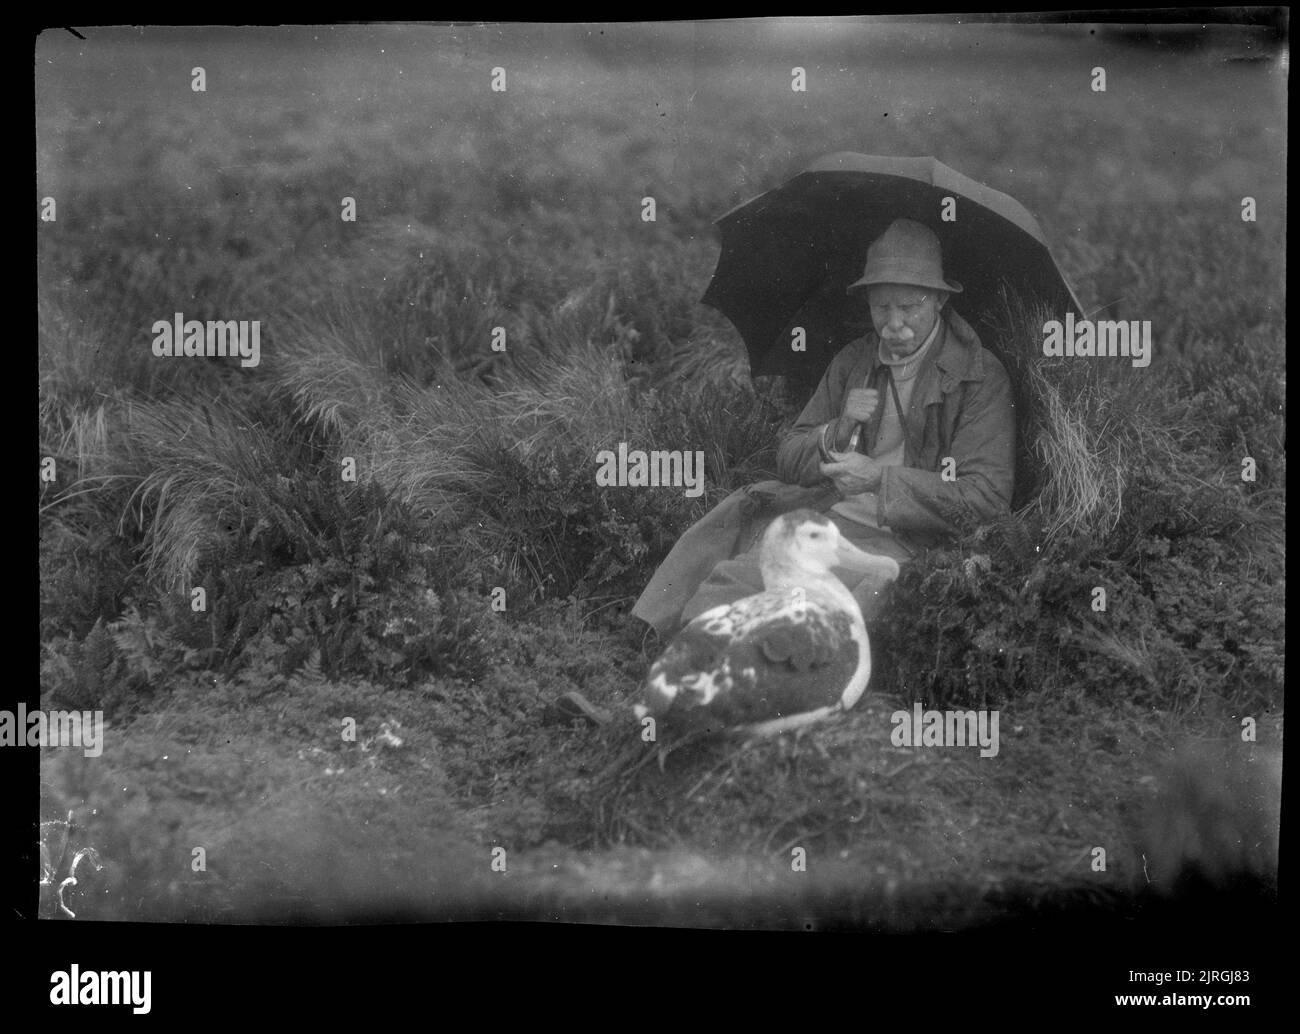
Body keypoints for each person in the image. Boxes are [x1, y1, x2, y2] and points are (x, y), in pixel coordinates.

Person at [632, 218, 1018, 635]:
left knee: (810, 616)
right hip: (831, 515)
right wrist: (838, 427)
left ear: (940, 300)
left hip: (912, 539)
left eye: (909, 307)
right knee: (736, 580)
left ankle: (728, 678)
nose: (893, 324)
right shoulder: (854, 361)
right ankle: (676, 661)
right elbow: (790, 455)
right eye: (880, 307)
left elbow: (985, 497)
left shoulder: (977, 377)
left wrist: (879, 480)